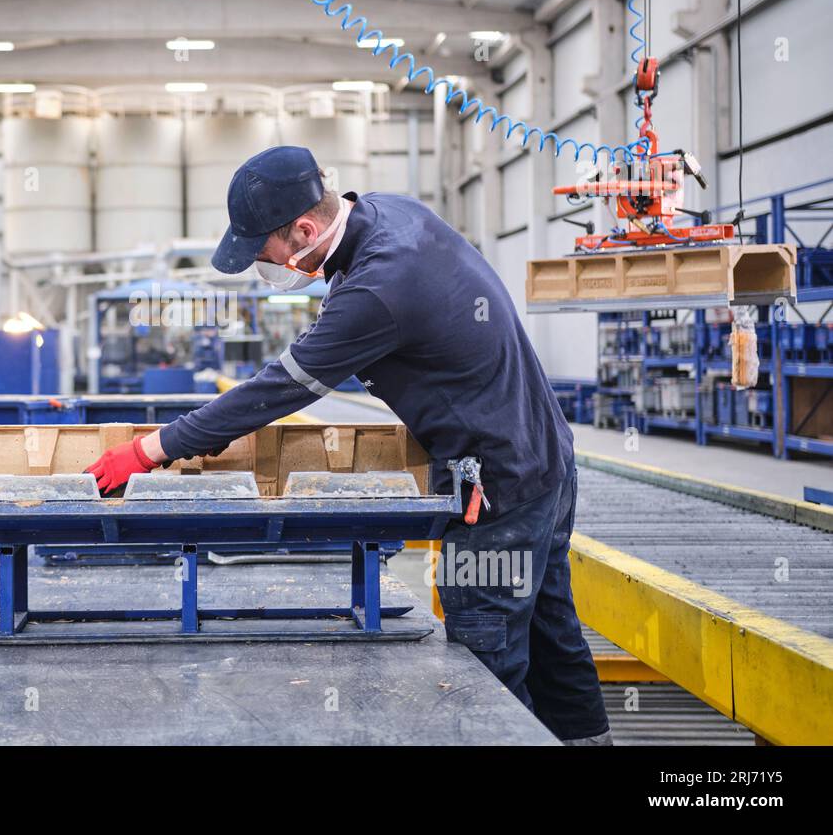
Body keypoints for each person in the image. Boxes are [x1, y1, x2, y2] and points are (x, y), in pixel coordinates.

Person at [85, 145, 611, 745]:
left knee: (488, 652)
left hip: (495, 492)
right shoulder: (390, 214)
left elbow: (280, 387)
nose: (265, 266)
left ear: (305, 229)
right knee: (551, 632)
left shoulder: (379, 288)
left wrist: (150, 449)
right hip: (544, 460)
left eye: (265, 254)